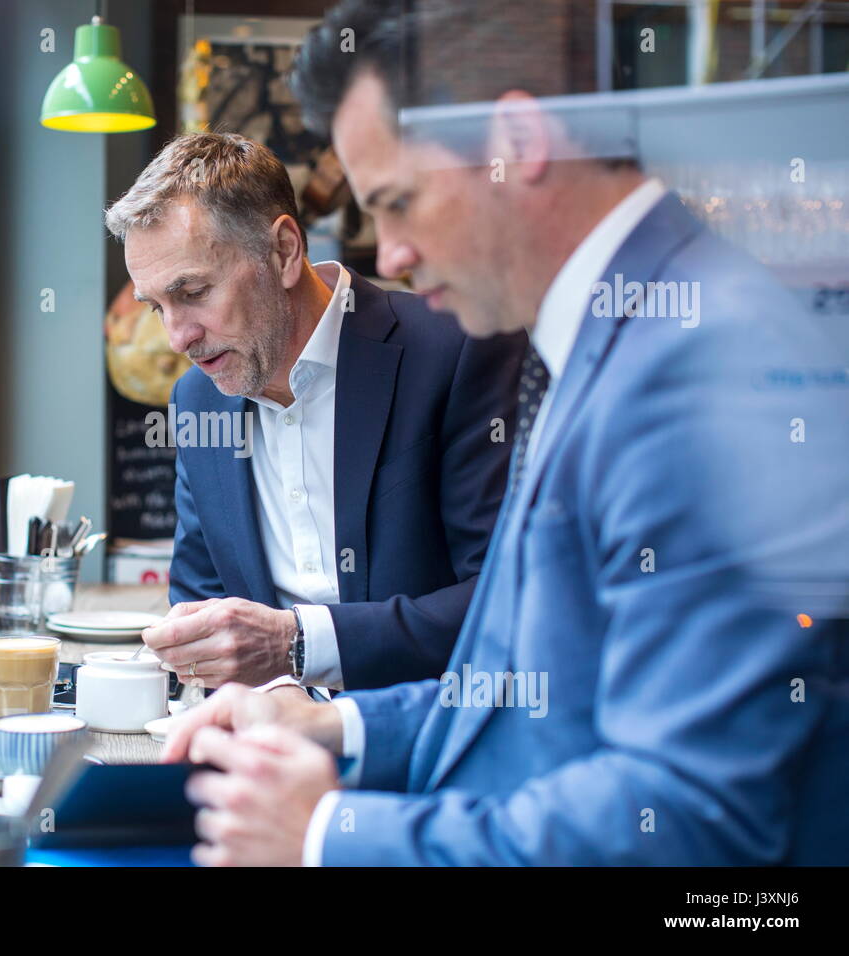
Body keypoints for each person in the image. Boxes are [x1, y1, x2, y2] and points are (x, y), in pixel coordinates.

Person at [163, 0, 849, 866]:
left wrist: (330, 836)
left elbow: (693, 817)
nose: (395, 255)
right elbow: (538, 684)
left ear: (518, 146)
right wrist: (328, 719)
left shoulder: (694, 365)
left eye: (401, 201)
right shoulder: (602, 337)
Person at [104, 131, 525, 693]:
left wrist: (296, 645)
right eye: (157, 307)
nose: (178, 338)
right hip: (266, 754)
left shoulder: (458, 348)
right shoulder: (198, 401)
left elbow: (509, 598)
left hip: (434, 745)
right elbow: (202, 608)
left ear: (283, 251)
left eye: (194, 292)